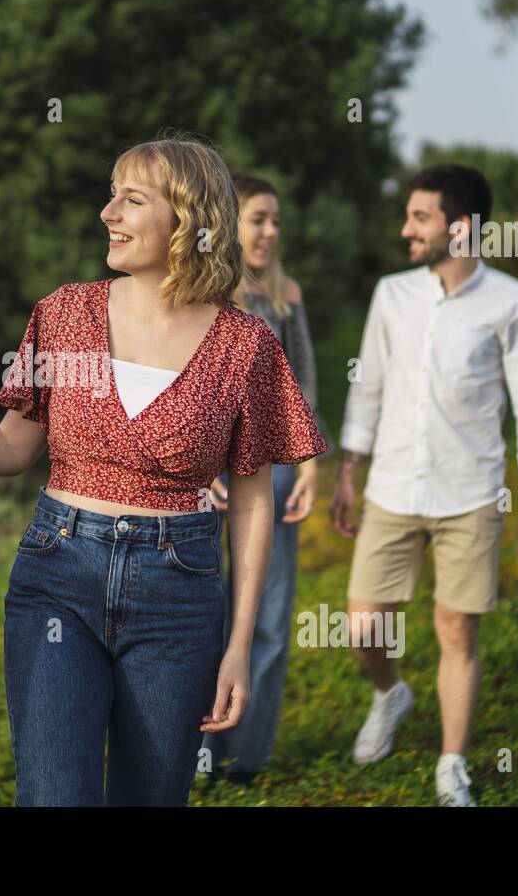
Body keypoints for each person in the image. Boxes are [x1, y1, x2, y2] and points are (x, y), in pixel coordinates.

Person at [0, 133, 328, 805]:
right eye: (111, 196)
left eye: (131, 200)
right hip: (57, 575)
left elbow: (251, 502)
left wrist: (239, 644)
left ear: (187, 219)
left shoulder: (247, 345)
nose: (108, 214)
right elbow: (12, 448)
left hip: (180, 593)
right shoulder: (62, 313)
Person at [330, 163, 518, 806]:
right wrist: (348, 470)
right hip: (392, 488)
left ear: (460, 228)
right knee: (361, 624)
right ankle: (390, 693)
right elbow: (368, 385)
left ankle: (451, 763)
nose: (406, 229)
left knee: (457, 629)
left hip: (471, 493)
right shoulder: (392, 294)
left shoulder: (513, 303)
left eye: (420, 217)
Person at [202, 173, 333, 780]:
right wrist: (199, 471)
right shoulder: (201, 295)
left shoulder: (286, 295)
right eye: (259, 218)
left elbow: (301, 382)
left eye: (276, 220)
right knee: (200, 612)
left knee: (270, 616)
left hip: (274, 474)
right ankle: (194, 745)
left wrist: (309, 463)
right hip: (203, 478)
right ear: (230, 222)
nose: (270, 231)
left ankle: (245, 759)